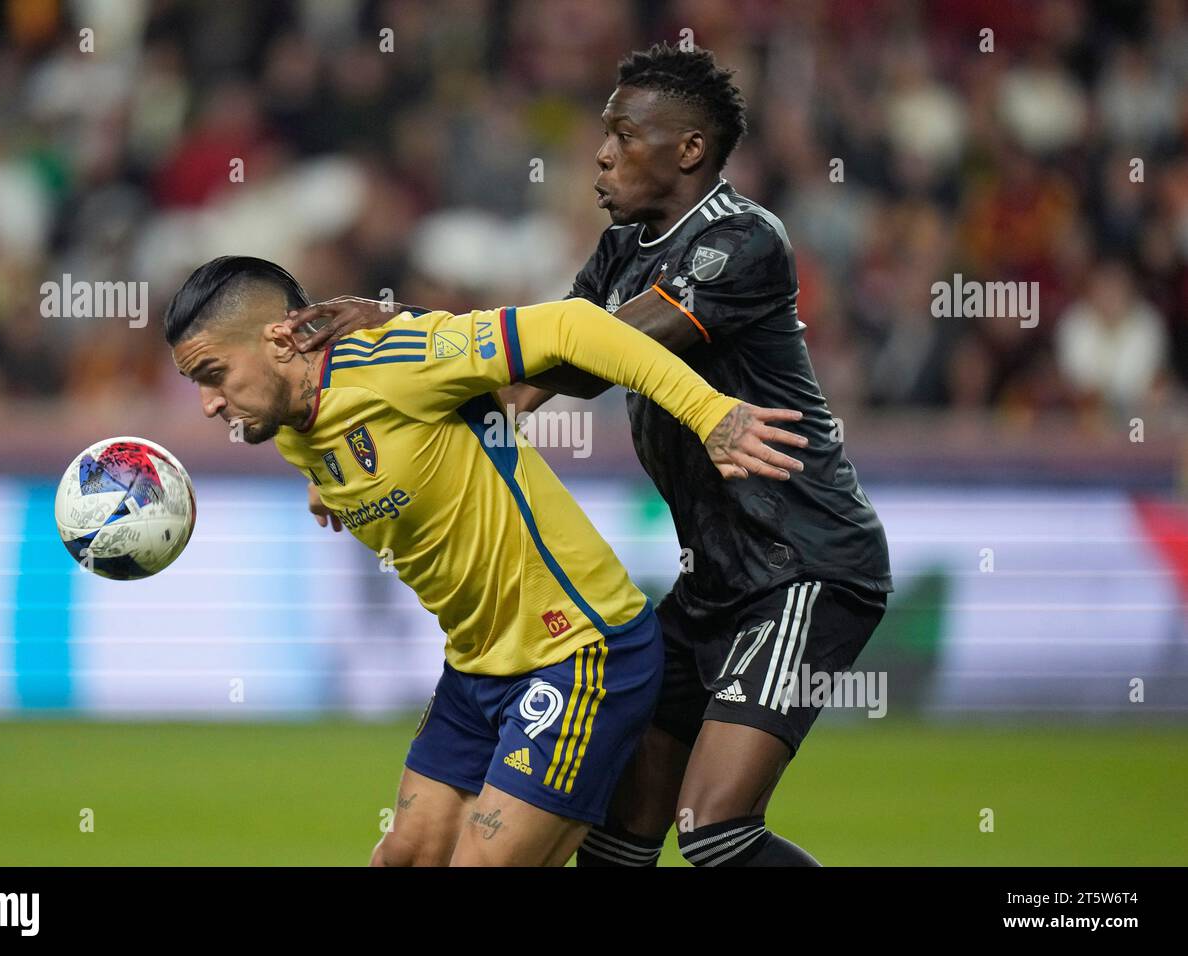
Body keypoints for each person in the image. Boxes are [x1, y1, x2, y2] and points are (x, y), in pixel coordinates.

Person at [288, 42, 892, 867]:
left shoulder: (743, 240)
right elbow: (515, 381)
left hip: (803, 567)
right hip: (713, 580)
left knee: (714, 831)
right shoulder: (621, 251)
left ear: (688, 150)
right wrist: (368, 455)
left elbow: (592, 346)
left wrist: (400, 328)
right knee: (613, 842)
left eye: (622, 133)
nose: (600, 154)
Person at [166, 254, 807, 866]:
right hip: (477, 666)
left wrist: (709, 413)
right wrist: (331, 485)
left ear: (281, 343)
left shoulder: (396, 360)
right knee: (405, 857)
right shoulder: (289, 425)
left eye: (213, 374)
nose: (209, 404)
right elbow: (360, 446)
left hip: (578, 653)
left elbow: (573, 325)